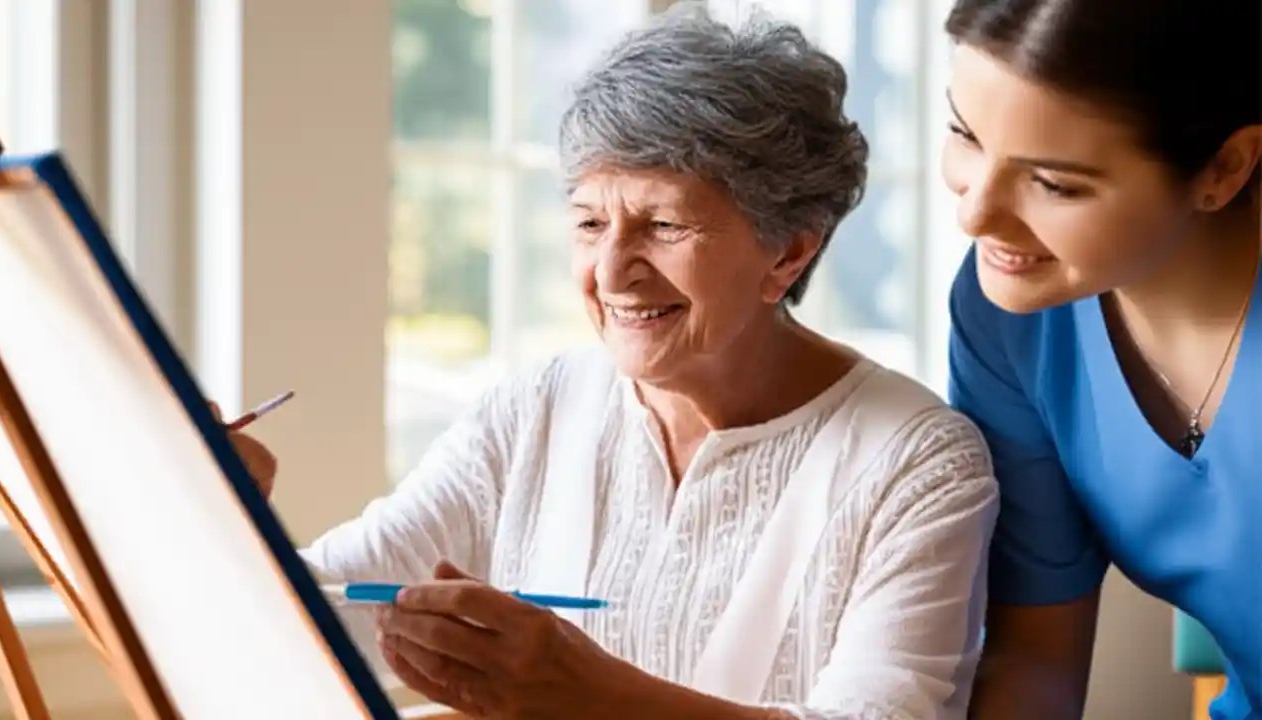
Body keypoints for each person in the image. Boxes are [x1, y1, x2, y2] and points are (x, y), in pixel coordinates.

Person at [234, 8, 998, 720]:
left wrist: (589, 693)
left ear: (790, 251)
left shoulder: (918, 461)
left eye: (663, 225)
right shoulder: (535, 409)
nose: (610, 271)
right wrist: (211, 515)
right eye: (591, 221)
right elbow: (321, 612)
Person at [940, 1, 1261, 718]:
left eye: (1054, 184)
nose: (974, 214)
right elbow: (1033, 656)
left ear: (1226, 168)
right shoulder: (1008, 315)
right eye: (965, 133)